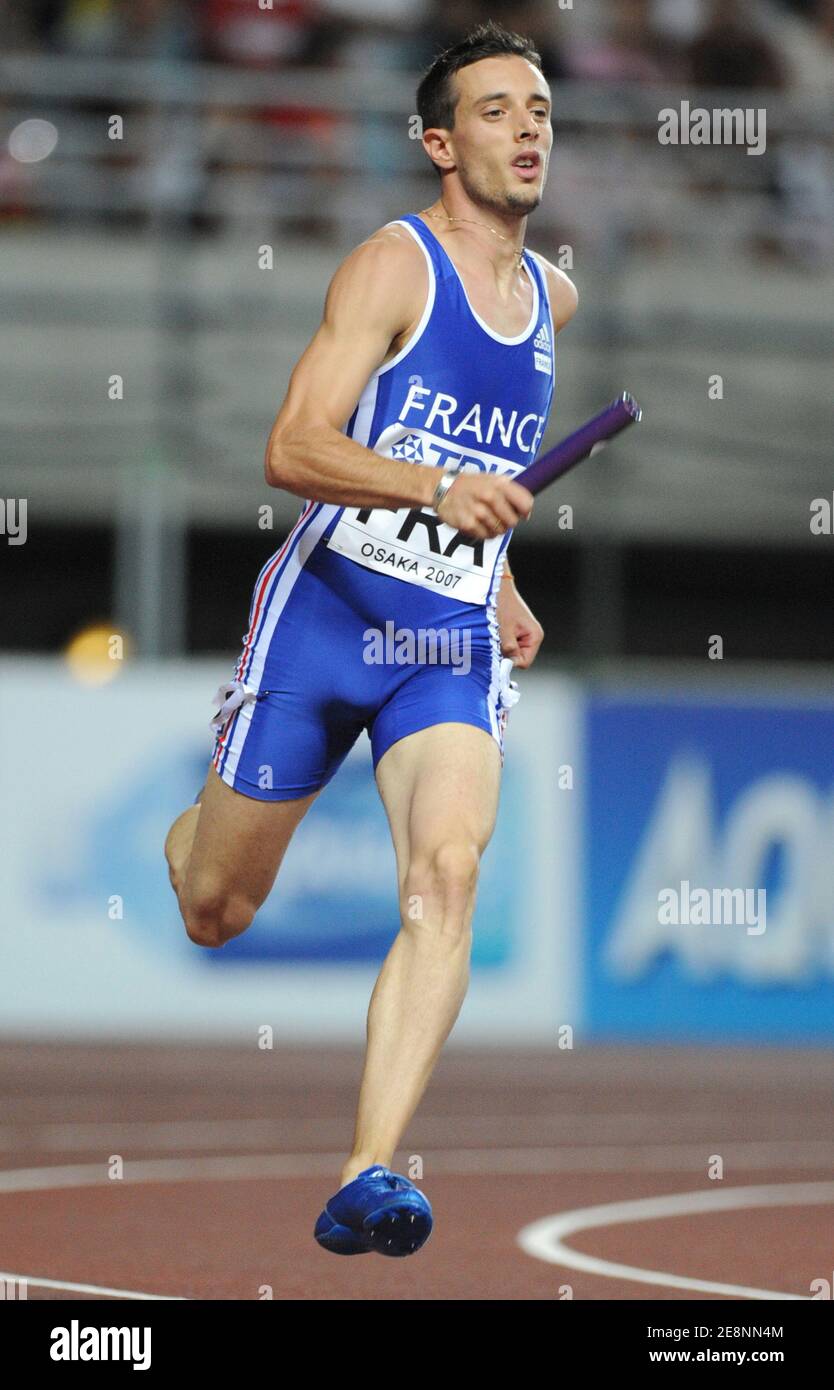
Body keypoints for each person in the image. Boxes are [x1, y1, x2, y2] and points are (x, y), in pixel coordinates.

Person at [164, 18, 578, 1257]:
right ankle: (193, 825)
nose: (529, 130)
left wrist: (494, 571)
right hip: (325, 619)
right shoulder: (393, 267)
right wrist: (429, 490)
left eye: (542, 109)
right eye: (498, 112)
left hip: (446, 641)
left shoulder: (553, 295)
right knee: (214, 906)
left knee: (446, 875)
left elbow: (487, 474)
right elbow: (292, 448)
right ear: (442, 143)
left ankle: (369, 1168)